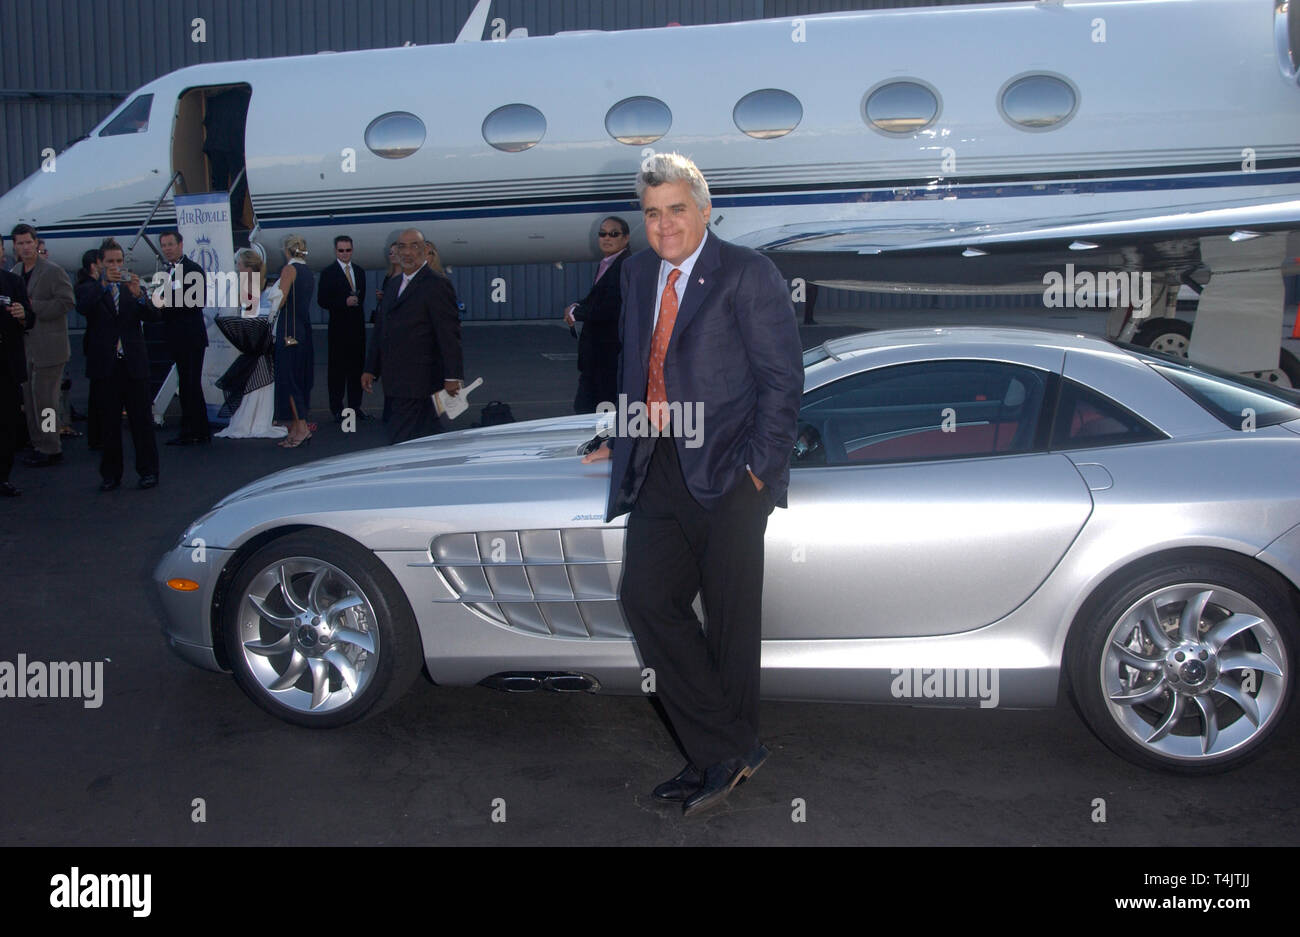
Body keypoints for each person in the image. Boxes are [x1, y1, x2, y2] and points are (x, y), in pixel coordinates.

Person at [581, 153, 803, 817]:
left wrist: (759, 470)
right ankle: (731, 746)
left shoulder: (748, 273)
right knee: (647, 597)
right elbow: (636, 369)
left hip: (732, 471)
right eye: (652, 213)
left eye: (676, 208)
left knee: (733, 625)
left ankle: (720, 754)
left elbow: (781, 381)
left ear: (704, 209)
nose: (664, 224)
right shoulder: (638, 271)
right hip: (657, 463)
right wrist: (619, 432)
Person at [362, 229, 463, 444]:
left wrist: (452, 376)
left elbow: (448, 333)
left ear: (426, 249)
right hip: (395, 380)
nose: (407, 252)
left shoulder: (436, 284)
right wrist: (371, 368)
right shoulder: (392, 285)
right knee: (425, 434)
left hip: (421, 378)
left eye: (414, 246)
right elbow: (381, 329)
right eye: (402, 247)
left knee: (401, 437)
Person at [78, 239, 162, 491]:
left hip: (133, 364)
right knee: (109, 425)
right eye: (110, 262)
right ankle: (110, 474)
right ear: (99, 264)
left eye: (118, 261)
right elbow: (83, 307)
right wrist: (104, 285)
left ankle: (148, 472)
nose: (115, 266)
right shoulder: (88, 287)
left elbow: (155, 316)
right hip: (105, 367)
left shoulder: (132, 286)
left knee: (142, 422)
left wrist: (138, 296)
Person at [10, 224, 73, 468]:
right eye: (20, 243)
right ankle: (38, 443)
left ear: (36, 243)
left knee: (46, 401)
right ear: (14, 246)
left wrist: (32, 307)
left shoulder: (52, 271)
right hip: (25, 347)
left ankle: (51, 445)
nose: (25, 247)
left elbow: (67, 302)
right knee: (31, 399)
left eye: (29, 242)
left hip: (50, 347)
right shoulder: (15, 271)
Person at [215, 248, 287, 440]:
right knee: (261, 386)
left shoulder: (248, 285)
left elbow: (248, 317)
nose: (237, 267)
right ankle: (260, 420)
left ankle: (250, 421)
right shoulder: (266, 284)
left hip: (255, 344)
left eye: (238, 264)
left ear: (245, 266)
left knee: (252, 386)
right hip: (263, 344)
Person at [565, 216, 630, 412]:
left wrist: (577, 313)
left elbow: (611, 306)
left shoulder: (624, 266)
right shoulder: (609, 263)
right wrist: (577, 306)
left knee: (593, 412)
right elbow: (597, 297)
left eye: (614, 234)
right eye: (602, 234)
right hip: (597, 360)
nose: (606, 238)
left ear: (626, 238)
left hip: (608, 358)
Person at [156, 228, 211, 445]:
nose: (167, 249)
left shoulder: (192, 269)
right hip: (178, 336)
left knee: (190, 384)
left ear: (180, 245)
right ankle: (193, 429)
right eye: (163, 245)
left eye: (170, 244)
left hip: (190, 337)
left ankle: (196, 430)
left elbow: (196, 302)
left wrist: (164, 304)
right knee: (186, 385)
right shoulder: (169, 271)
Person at [317, 235, 368, 423]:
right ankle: (337, 408)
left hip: (357, 330)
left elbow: (362, 297)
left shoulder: (360, 272)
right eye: (341, 251)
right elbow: (322, 300)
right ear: (335, 251)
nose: (345, 254)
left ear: (352, 250)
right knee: (337, 371)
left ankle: (355, 407)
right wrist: (342, 302)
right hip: (338, 330)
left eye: (348, 250)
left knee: (356, 370)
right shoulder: (328, 273)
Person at [273, 234, 314, 448]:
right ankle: (299, 428)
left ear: (286, 251)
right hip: (302, 329)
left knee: (289, 380)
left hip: (288, 329)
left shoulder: (289, 270)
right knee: (298, 378)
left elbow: (280, 300)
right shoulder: (308, 272)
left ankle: (301, 428)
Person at [0, 252, 34, 496]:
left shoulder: (13, 282)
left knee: (7, 424)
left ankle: (3, 477)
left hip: (7, 366)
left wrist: (24, 315)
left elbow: (30, 319)